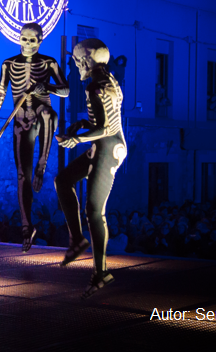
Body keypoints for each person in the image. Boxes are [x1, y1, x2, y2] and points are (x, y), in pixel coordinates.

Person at [55, 38, 126, 299]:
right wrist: (83, 124)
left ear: (86, 61)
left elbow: (105, 128)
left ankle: (101, 271)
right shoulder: (110, 80)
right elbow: (107, 117)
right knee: (63, 180)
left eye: (76, 61)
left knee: (94, 211)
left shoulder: (95, 86)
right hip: (105, 144)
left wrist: (77, 139)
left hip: (107, 147)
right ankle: (77, 240)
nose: (75, 66)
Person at [0, 22, 68, 252]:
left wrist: (48, 88)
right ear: (19, 39)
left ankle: (42, 163)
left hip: (43, 116)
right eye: (24, 38)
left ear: (40, 41)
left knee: (48, 114)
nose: (27, 43)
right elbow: (1, 90)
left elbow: (66, 90)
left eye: (32, 40)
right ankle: (26, 226)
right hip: (20, 120)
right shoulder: (9, 64)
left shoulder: (49, 62)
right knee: (22, 174)